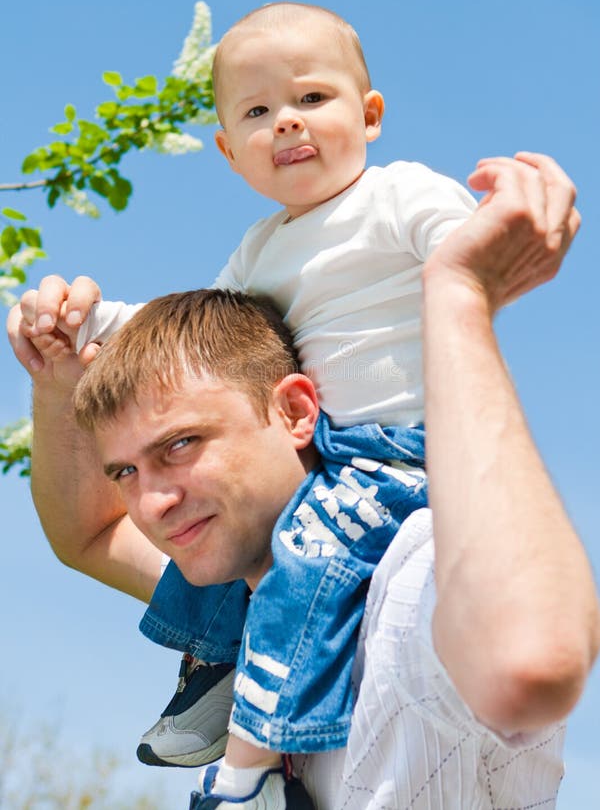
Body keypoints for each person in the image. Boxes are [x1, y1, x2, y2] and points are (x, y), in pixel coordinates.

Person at [7, 151, 600, 809]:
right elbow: (83, 533)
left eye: (181, 445)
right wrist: (58, 384)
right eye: (125, 469)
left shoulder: (408, 572)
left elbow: (534, 662)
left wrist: (458, 299)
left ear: (294, 410)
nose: (152, 501)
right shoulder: (242, 592)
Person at [59, 1, 480, 782]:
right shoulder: (262, 250)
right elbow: (198, 334)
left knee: (306, 564)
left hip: (398, 452)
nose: (287, 123)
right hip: (322, 453)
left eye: (312, 99)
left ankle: (247, 769)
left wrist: (499, 234)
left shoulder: (396, 197)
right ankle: (221, 665)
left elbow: (461, 248)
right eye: (258, 111)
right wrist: (100, 322)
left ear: (370, 114)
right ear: (227, 150)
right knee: (223, 554)